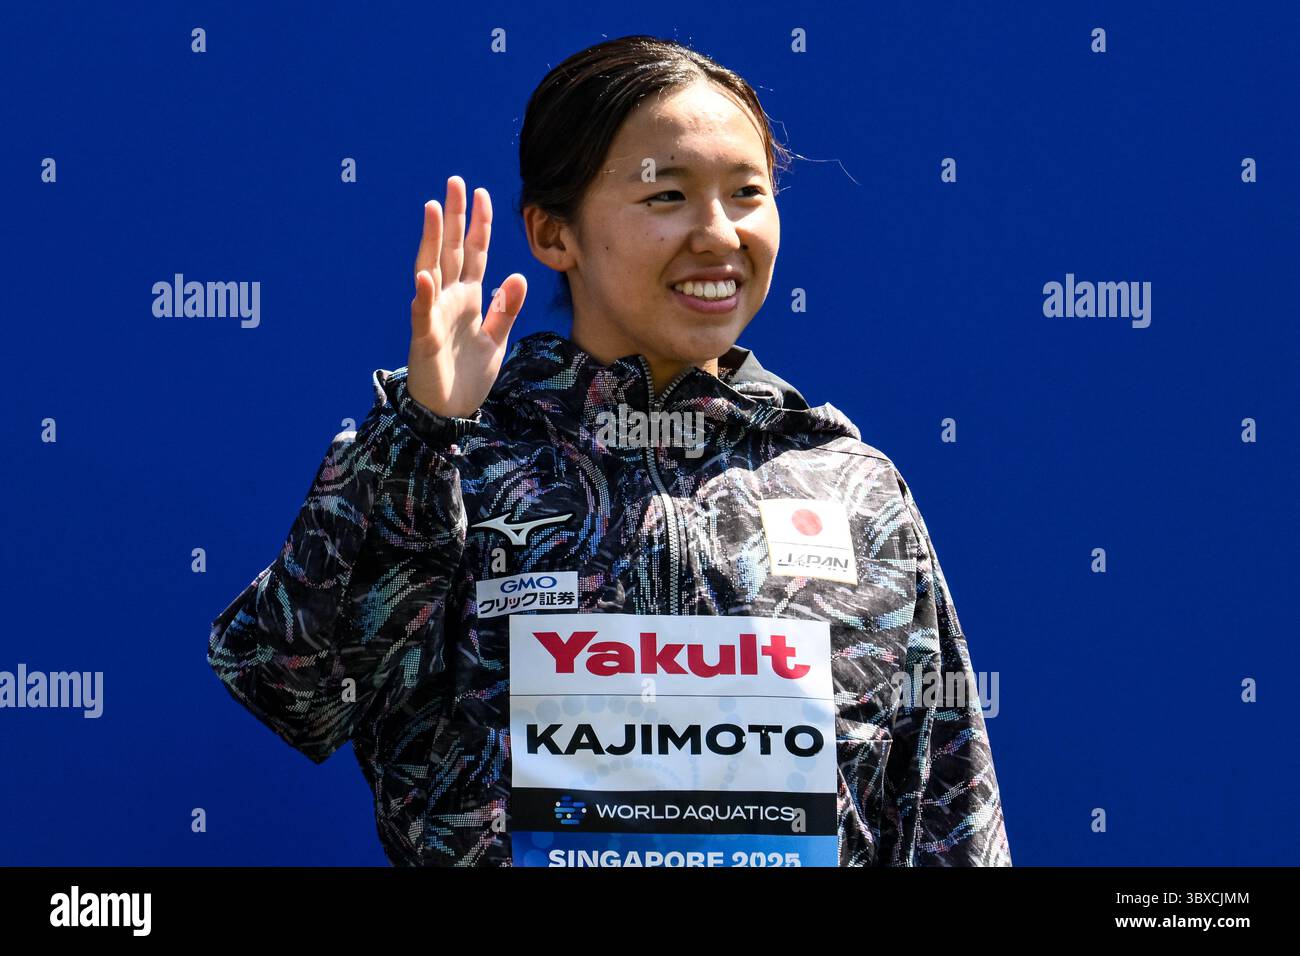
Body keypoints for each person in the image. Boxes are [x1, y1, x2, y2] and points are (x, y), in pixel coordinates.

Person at [207, 34, 1012, 867]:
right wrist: (419, 435)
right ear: (555, 233)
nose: (717, 235)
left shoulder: (851, 486)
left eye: (747, 193)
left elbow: (945, 805)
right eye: (666, 196)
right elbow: (288, 687)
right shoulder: (453, 461)